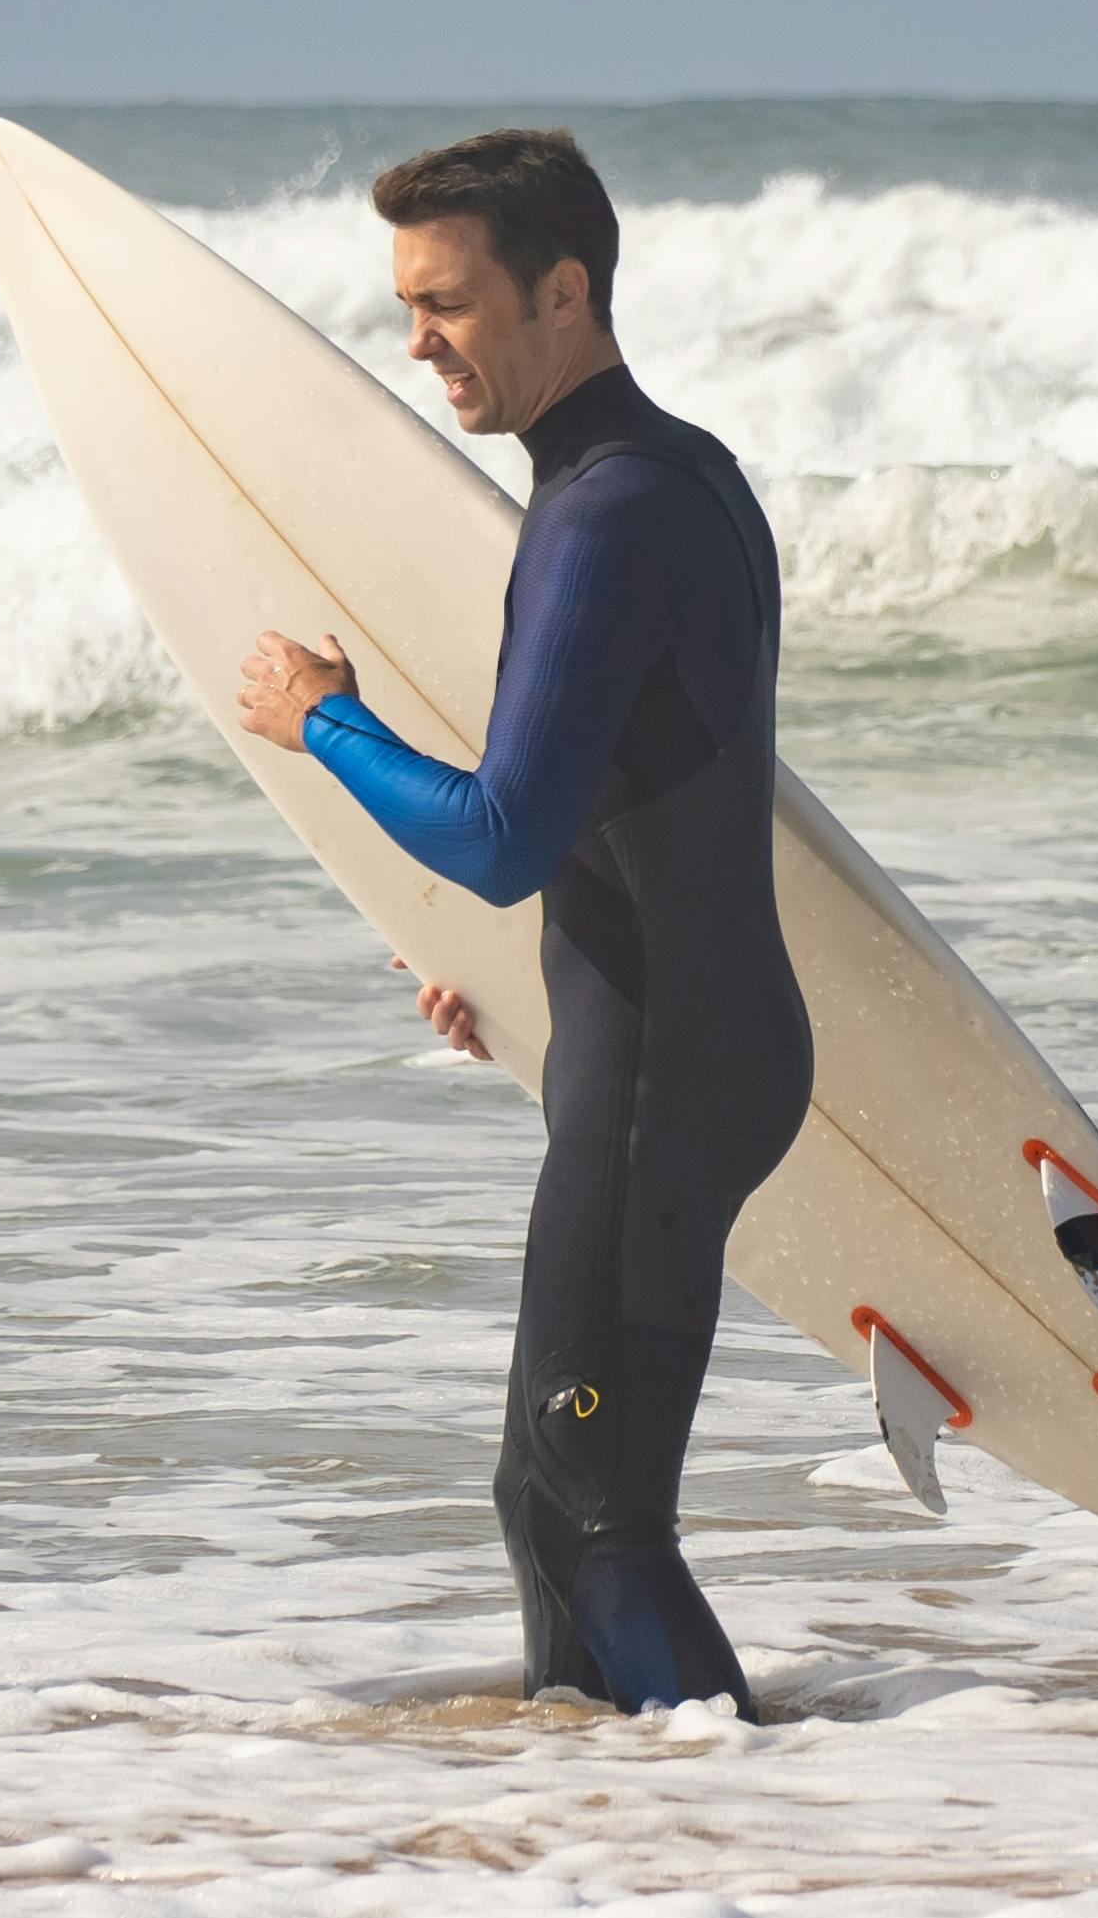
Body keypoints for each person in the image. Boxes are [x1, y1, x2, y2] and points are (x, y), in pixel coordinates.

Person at [232, 126, 811, 1716]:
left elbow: (500, 835)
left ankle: (742, 1829)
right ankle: (594, 1852)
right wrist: (507, 980)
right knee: (547, 1499)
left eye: (450, 302)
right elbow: (628, 815)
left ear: (564, 292)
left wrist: (322, 723)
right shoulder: (667, 477)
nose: (418, 342)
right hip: (663, 1045)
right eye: (406, 304)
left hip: (664, 1080)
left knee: (602, 1513)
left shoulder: (611, 512)